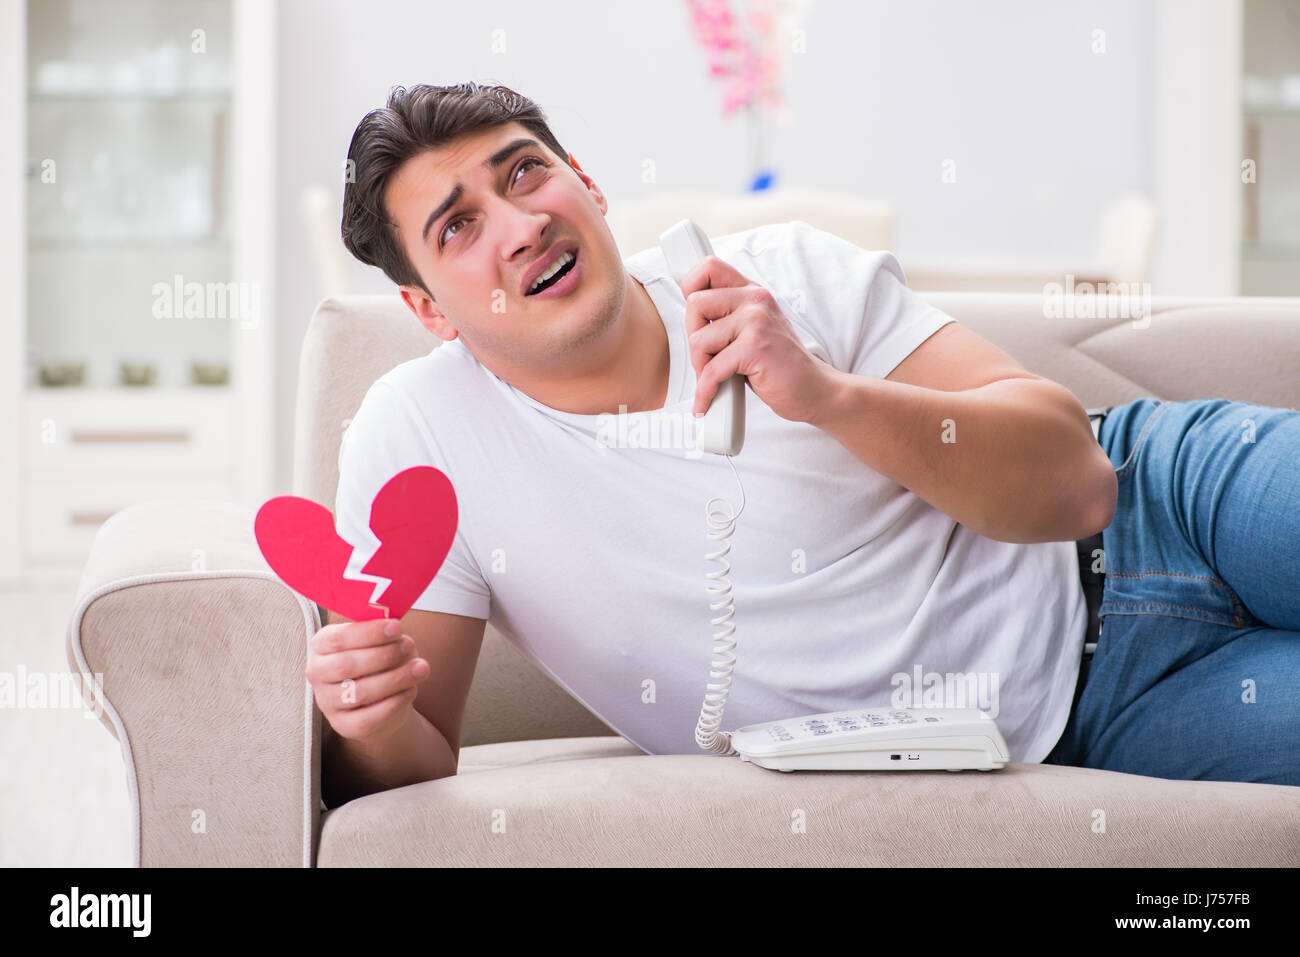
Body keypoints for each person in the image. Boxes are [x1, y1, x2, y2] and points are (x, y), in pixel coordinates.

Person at [330, 81, 1299, 790]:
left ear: (586, 184)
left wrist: (827, 395)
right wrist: (364, 715)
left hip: (1171, 497)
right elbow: (415, 760)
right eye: (458, 227)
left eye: (527, 173)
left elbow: (1079, 483)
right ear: (428, 310)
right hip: (1098, 709)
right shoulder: (422, 434)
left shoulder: (779, 272)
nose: (518, 224)